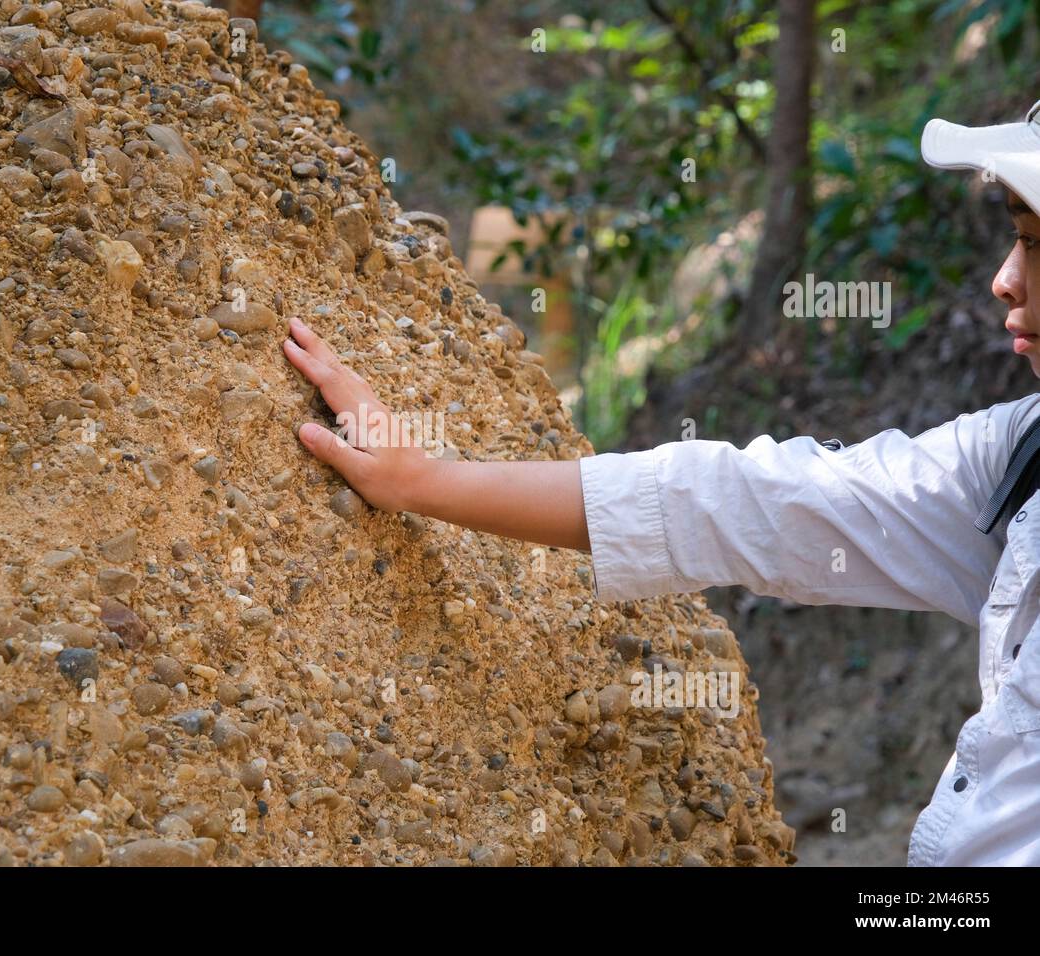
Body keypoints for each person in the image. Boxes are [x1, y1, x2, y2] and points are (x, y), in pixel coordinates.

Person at [282, 102, 1040, 866]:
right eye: (1016, 235)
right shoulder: (1018, 456)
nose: (1006, 280)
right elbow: (747, 499)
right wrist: (423, 482)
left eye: (1038, 242)